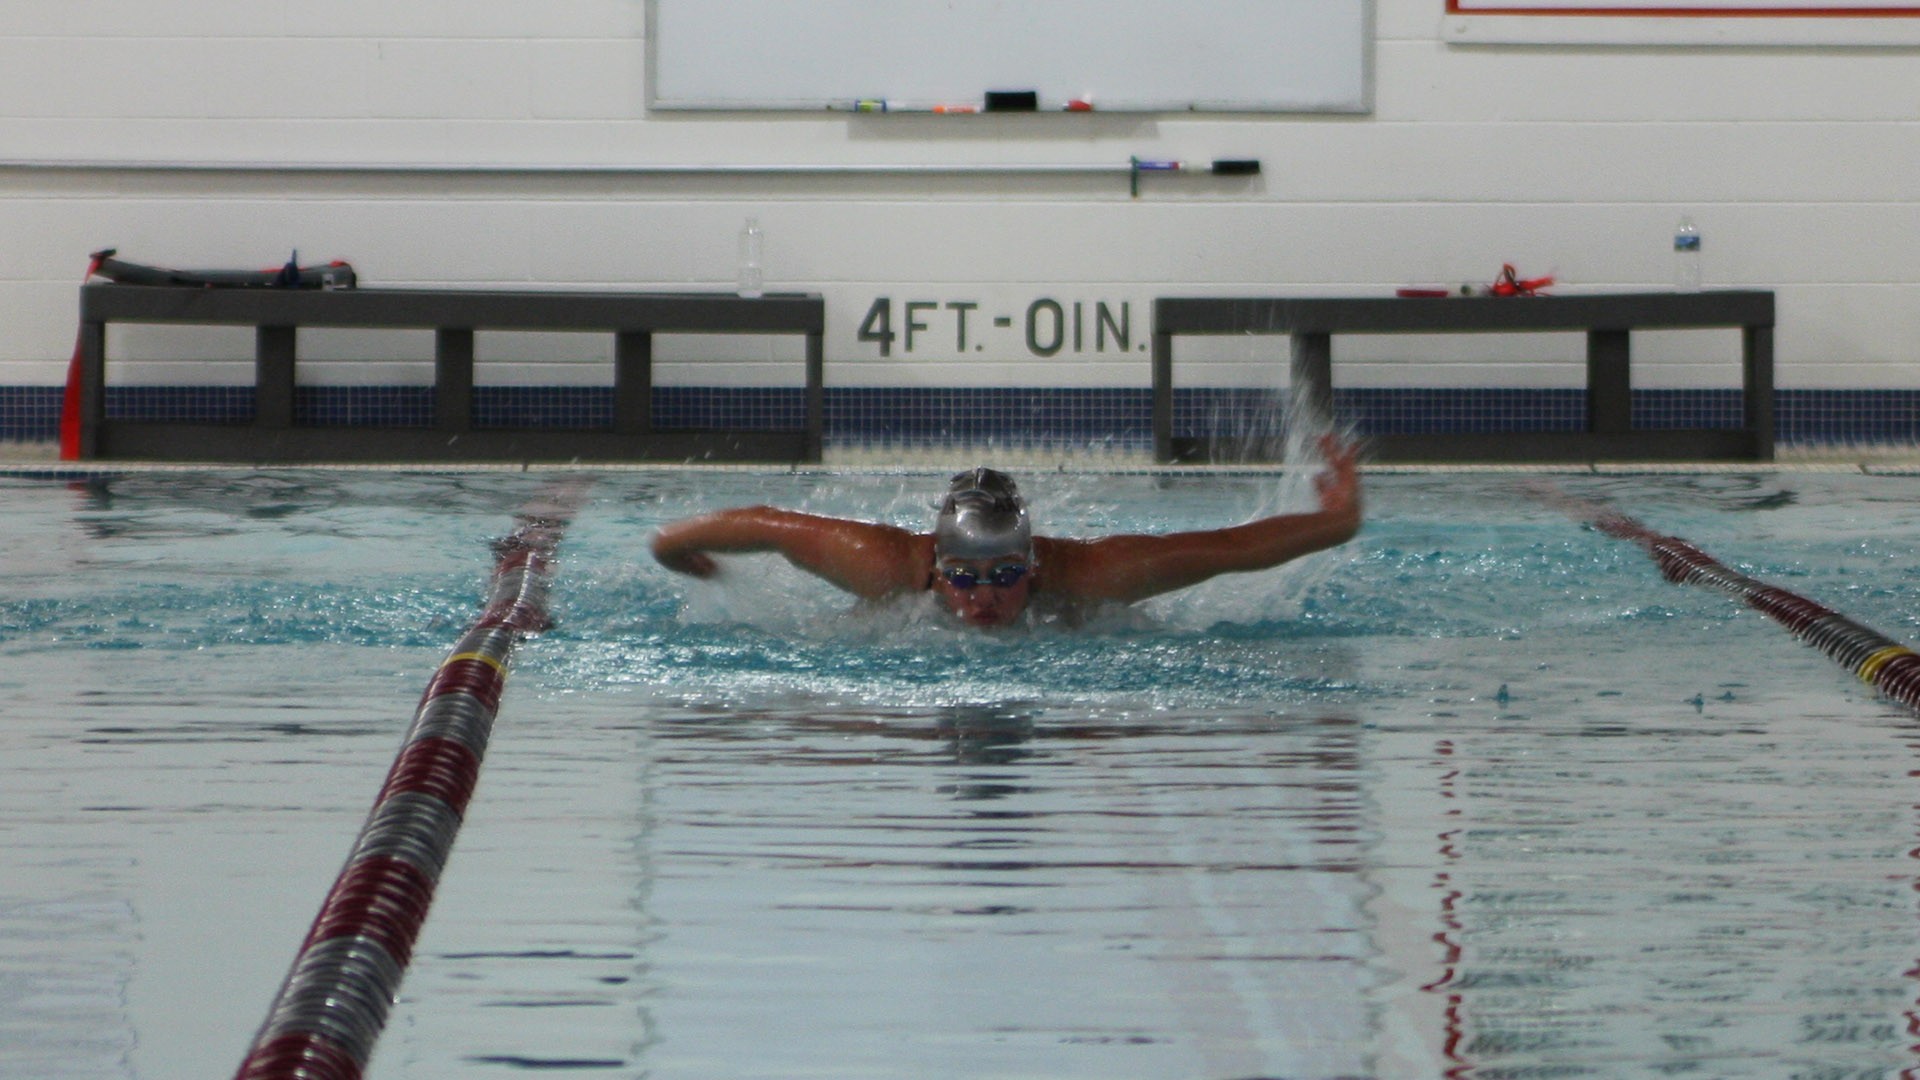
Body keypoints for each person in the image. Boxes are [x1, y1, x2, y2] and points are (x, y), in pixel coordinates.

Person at [651, 436, 1362, 629]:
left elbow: (1231, 549)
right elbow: (764, 526)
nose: (980, 601)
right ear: (934, 565)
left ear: (1034, 567)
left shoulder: (1091, 573)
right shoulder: (882, 564)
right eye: (961, 579)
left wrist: (1338, 520)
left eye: (1003, 578)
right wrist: (672, 548)